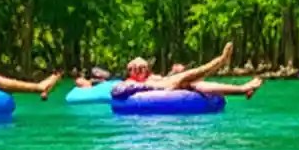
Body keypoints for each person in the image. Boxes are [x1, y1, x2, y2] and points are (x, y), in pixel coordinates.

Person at [112, 43, 263, 99]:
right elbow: (117, 91)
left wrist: (170, 75)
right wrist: (145, 86)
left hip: (170, 85)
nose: (140, 71)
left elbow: (163, 79)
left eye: (143, 67)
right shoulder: (130, 82)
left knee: (199, 85)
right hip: (164, 88)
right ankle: (219, 62)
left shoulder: (153, 77)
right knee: (185, 77)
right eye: (136, 68)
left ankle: (244, 89)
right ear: (129, 71)